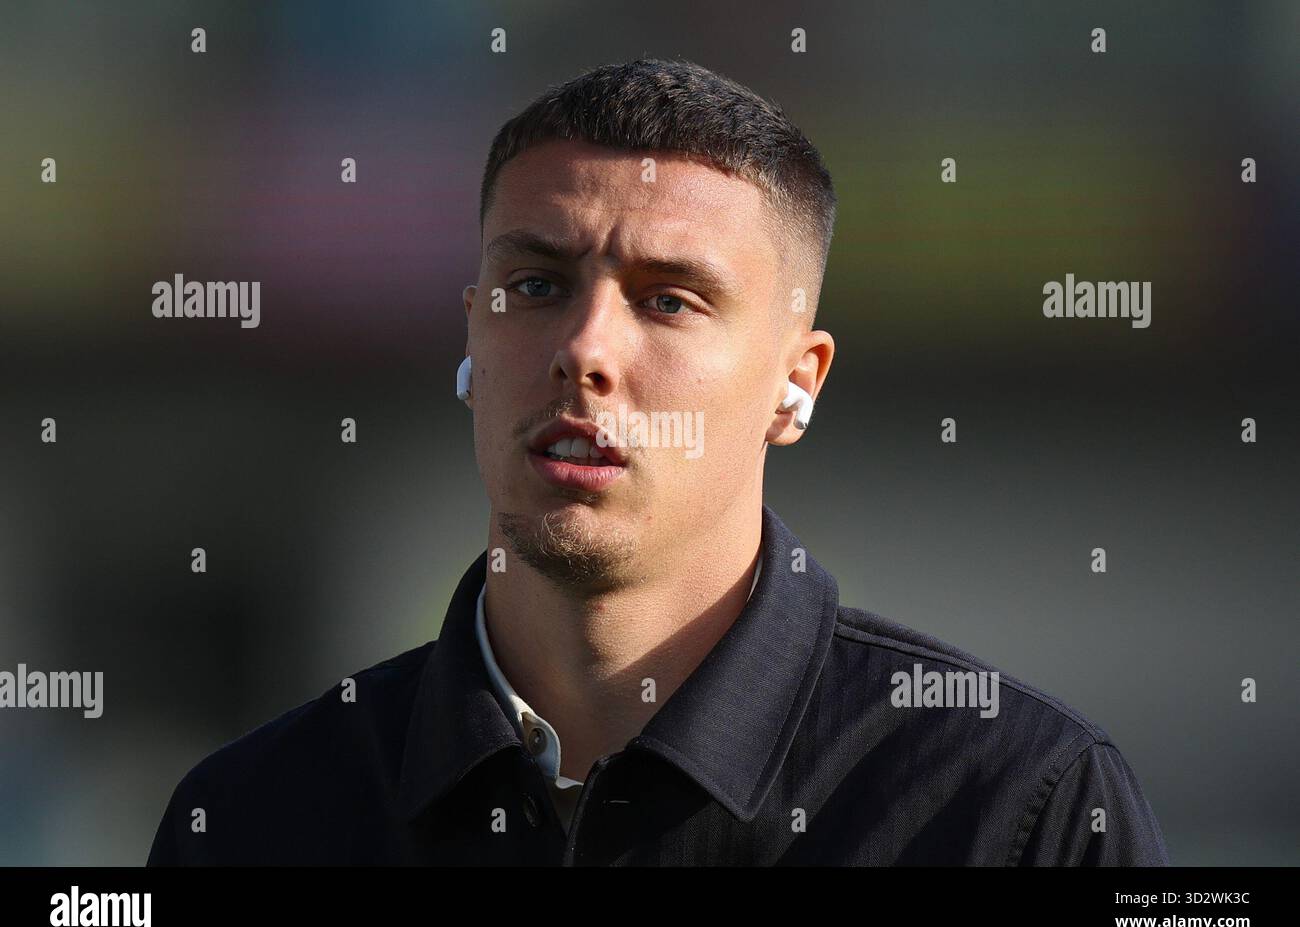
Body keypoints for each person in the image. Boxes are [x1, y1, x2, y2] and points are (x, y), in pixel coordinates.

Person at [147, 58, 1168, 865]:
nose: (585, 349)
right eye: (537, 284)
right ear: (474, 333)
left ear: (794, 382)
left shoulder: (1016, 806)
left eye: (668, 298)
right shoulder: (250, 814)